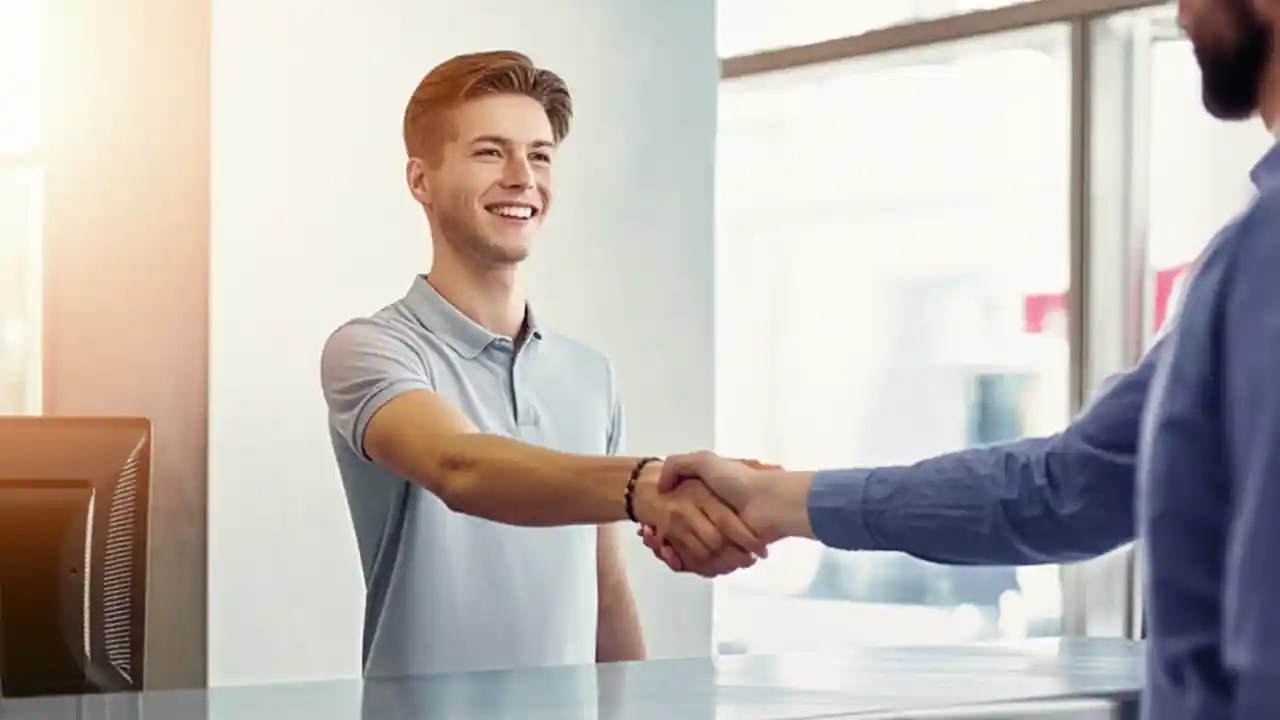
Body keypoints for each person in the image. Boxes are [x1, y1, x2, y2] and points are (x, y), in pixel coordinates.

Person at [651, 1, 1280, 717]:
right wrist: (773, 500)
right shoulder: (1250, 257)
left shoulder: (1263, 255)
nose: (1184, 10)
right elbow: (1073, 487)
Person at [319, 50, 764, 679]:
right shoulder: (372, 349)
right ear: (421, 181)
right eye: (489, 152)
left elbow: (605, 591)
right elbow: (461, 467)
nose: (522, 177)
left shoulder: (590, 374)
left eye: (540, 155)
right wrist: (650, 488)